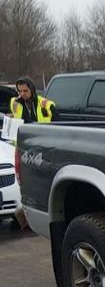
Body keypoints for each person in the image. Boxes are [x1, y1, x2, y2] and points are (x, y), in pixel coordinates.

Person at [6, 76, 55, 229]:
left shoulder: (46, 105)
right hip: (23, 147)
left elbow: (57, 125)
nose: (22, 94)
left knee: (43, 181)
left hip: (44, 147)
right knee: (25, 181)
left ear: (32, 90)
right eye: (19, 91)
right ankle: (26, 216)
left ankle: (41, 213)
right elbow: (13, 119)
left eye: (25, 91)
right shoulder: (15, 103)